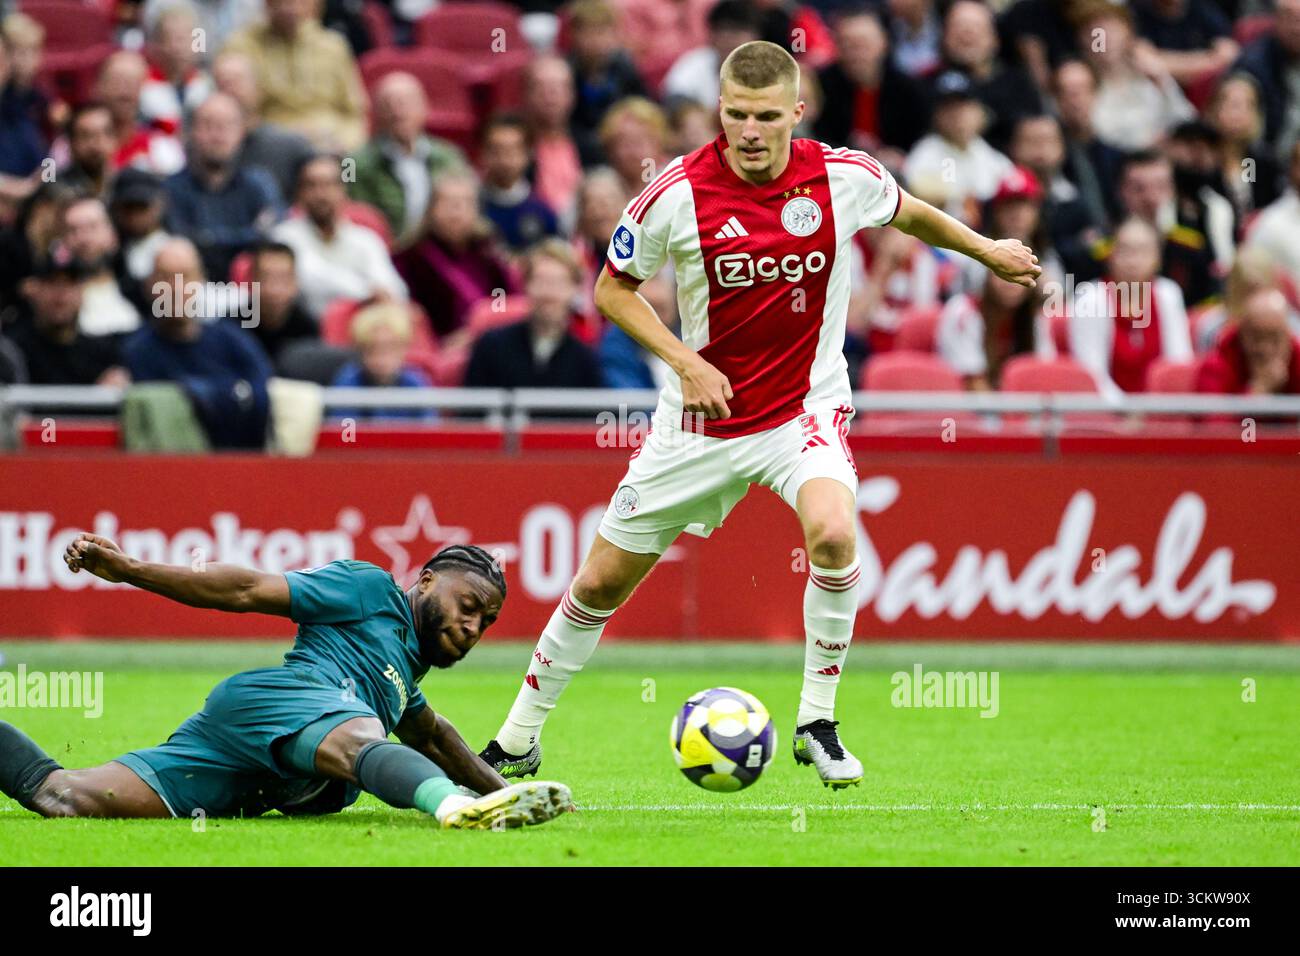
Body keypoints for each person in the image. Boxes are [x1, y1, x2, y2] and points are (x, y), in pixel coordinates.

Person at [477, 40, 1040, 787]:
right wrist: (685, 360)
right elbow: (612, 291)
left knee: (835, 534)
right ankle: (517, 741)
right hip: (698, 422)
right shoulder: (675, 194)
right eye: (736, 114)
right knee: (599, 585)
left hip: (801, 410)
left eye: (766, 116)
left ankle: (818, 722)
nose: (749, 130)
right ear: (720, 110)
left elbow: (910, 215)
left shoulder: (842, 177)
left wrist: (987, 251)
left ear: (796, 113)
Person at [0, 538, 574, 830]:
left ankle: (470, 804)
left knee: (66, 798)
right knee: (360, 738)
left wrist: (501, 788)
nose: (473, 627)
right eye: (468, 605)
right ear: (425, 581)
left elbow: (435, 737)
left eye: (487, 622)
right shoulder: (370, 589)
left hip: (257, 762)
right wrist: (132, 572)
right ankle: (450, 809)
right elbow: (246, 589)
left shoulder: (401, 681)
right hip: (277, 703)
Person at [124, 237, 273, 448]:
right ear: (149, 284)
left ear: (201, 282)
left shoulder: (233, 341)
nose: (175, 288)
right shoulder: (135, 351)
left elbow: (264, 391)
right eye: (166, 277)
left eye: (185, 277)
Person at [164, 92, 283, 281]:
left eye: (227, 125)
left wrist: (206, 238)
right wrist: (248, 236)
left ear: (242, 133)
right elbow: (178, 239)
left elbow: (271, 235)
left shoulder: (259, 184)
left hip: (251, 289)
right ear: (190, 132)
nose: (217, 134)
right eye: (208, 125)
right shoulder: (171, 188)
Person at [1071, 216, 1193, 399]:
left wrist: (1155, 410)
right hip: (1105, 412)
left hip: (1161, 411)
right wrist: (1127, 411)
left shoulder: (1168, 295)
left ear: (1157, 258)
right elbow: (1092, 375)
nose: (1133, 261)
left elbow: (1179, 363)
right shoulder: (1090, 299)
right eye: (1125, 251)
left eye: (1142, 251)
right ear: (1111, 255)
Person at [272, 154, 407, 318]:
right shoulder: (283, 237)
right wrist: (367, 293)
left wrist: (382, 294)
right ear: (300, 193)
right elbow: (311, 278)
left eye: (328, 184)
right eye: (312, 185)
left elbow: (393, 288)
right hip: (308, 332)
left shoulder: (365, 239)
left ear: (343, 190)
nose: (321, 194)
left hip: (360, 332)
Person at [222, 0, 367, 152]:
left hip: (332, 139)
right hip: (271, 140)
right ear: (267, 5)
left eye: (298, 2)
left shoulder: (334, 46)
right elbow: (236, 112)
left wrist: (348, 142)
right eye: (282, 2)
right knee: (319, 174)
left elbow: (355, 112)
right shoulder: (242, 45)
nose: (290, 8)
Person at [465, 239, 604, 393]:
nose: (548, 293)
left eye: (558, 282)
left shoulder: (586, 360)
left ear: (575, 289)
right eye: (540, 281)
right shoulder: (491, 347)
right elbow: (470, 411)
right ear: (525, 285)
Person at [346, 71, 467, 244]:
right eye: (388, 104)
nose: (398, 112)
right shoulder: (353, 163)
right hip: (385, 252)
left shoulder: (449, 156)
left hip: (441, 252)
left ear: (424, 107)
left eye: (405, 103)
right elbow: (355, 217)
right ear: (377, 114)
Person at [330, 300, 433, 421]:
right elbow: (346, 436)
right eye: (373, 348)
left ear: (404, 347)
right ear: (360, 349)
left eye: (391, 347)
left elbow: (428, 434)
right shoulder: (348, 381)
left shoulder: (415, 383)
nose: (382, 357)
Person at [478, 114, 560, 253]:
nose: (504, 159)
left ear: (528, 154)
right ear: (484, 153)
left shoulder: (544, 212)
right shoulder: (473, 208)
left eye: (512, 151)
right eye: (496, 150)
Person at [1197, 288, 1300, 395]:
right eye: (1257, 337)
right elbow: (1210, 411)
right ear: (1241, 334)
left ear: (1288, 335)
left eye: (1275, 338)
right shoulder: (1216, 366)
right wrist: (1259, 390)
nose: (1265, 348)